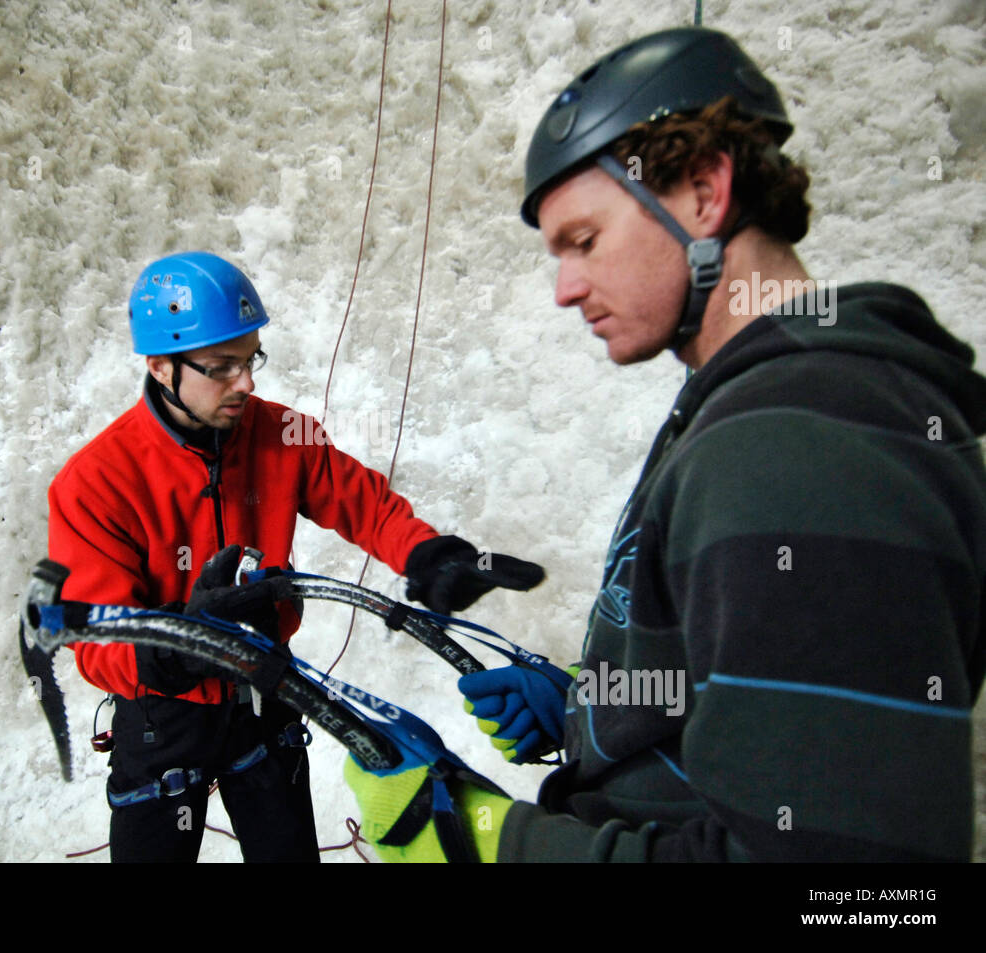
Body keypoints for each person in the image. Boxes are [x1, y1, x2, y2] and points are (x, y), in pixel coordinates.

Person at [345, 26, 986, 862]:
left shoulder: (799, 444)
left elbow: (850, 888)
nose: (565, 287)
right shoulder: (758, 410)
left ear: (702, 191)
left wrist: (491, 840)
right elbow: (769, 699)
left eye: (584, 240)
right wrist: (599, 711)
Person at [47, 251, 544, 862]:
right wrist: (177, 648)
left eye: (250, 358)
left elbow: (362, 501)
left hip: (268, 698)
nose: (247, 383)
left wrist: (425, 553)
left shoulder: (283, 433)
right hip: (163, 722)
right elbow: (93, 634)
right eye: (222, 367)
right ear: (160, 366)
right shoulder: (97, 481)